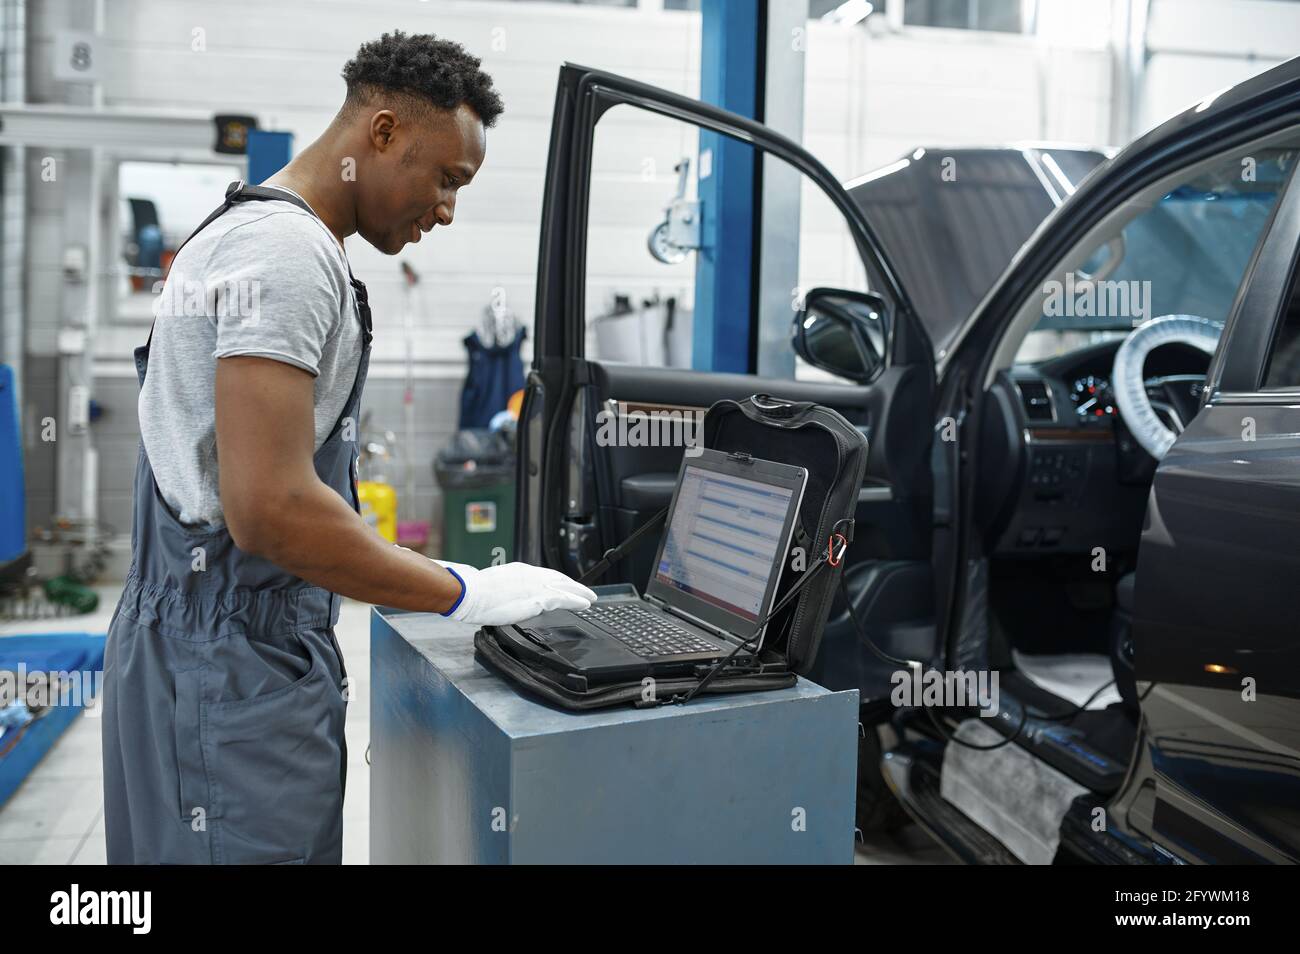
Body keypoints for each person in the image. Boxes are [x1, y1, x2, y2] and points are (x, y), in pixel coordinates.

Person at [101, 31, 595, 865]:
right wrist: (462, 589)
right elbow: (272, 512)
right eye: (446, 178)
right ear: (384, 131)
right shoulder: (288, 258)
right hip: (229, 667)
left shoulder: (247, 229)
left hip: (194, 645)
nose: (446, 209)